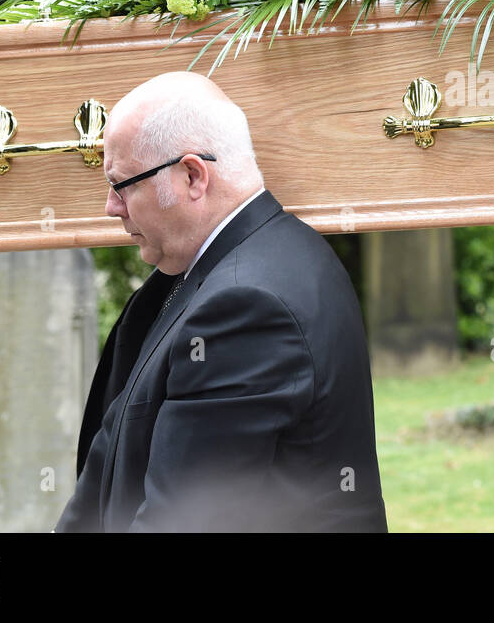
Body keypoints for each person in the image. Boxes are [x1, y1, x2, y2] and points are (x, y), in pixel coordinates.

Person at [55, 71, 387, 532]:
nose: (111, 207)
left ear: (193, 175)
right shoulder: (242, 262)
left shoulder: (245, 308)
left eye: (122, 184)